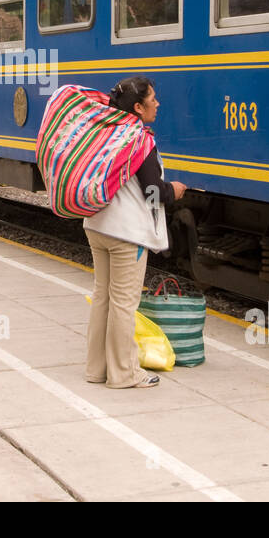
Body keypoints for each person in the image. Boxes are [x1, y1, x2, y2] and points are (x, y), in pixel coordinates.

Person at [82, 76, 186, 390]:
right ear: (138, 107)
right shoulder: (140, 139)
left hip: (96, 224)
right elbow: (153, 191)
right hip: (126, 233)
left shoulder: (103, 131)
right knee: (124, 304)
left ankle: (96, 369)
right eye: (153, 99)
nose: (158, 104)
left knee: (103, 298)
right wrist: (175, 190)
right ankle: (124, 373)